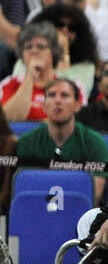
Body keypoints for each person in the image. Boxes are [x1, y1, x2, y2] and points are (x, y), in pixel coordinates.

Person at [16, 76, 108, 205]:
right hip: (38, 212)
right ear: (43, 105)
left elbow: (94, 195)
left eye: (64, 95)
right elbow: (25, 190)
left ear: (77, 105)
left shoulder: (95, 143)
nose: (57, 100)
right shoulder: (27, 142)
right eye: (52, 95)